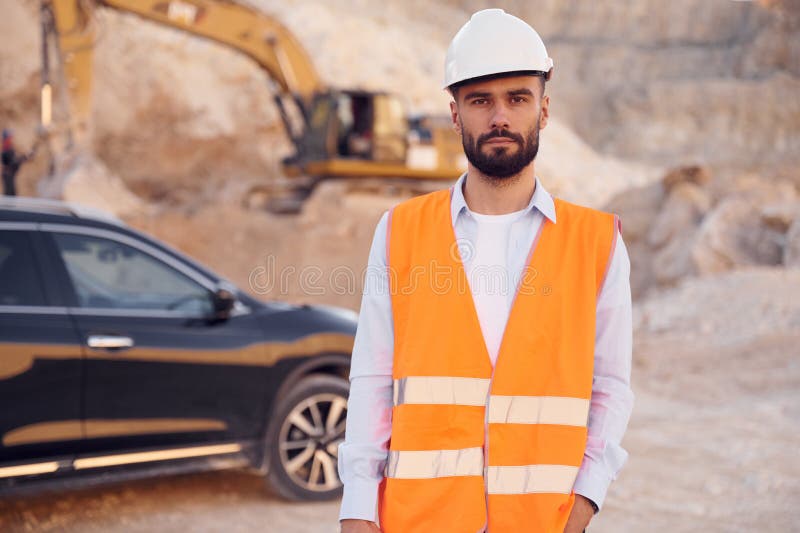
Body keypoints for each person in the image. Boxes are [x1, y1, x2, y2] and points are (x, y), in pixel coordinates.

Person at [338, 9, 633, 533]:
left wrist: (586, 501)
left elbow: (610, 385)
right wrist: (357, 507)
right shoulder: (400, 230)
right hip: (420, 522)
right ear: (455, 115)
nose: (500, 117)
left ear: (544, 110)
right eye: (481, 101)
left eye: (517, 98)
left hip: (542, 522)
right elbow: (372, 380)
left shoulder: (597, 242)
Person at [2, 129, 37, 197]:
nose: (11, 139)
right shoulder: (6, 150)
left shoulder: (10, 149)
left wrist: (26, 157)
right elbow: (13, 162)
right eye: (10, 137)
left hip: (11, 174)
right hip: (8, 175)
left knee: (12, 193)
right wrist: (24, 158)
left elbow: (16, 160)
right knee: (9, 193)